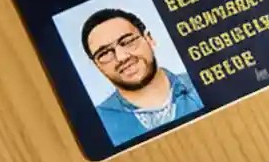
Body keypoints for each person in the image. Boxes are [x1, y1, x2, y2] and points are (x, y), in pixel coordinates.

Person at [81, 8, 203, 145]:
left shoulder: (202, 81)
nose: (121, 57)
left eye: (127, 42)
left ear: (149, 39)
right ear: (97, 65)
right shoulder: (97, 125)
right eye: (104, 54)